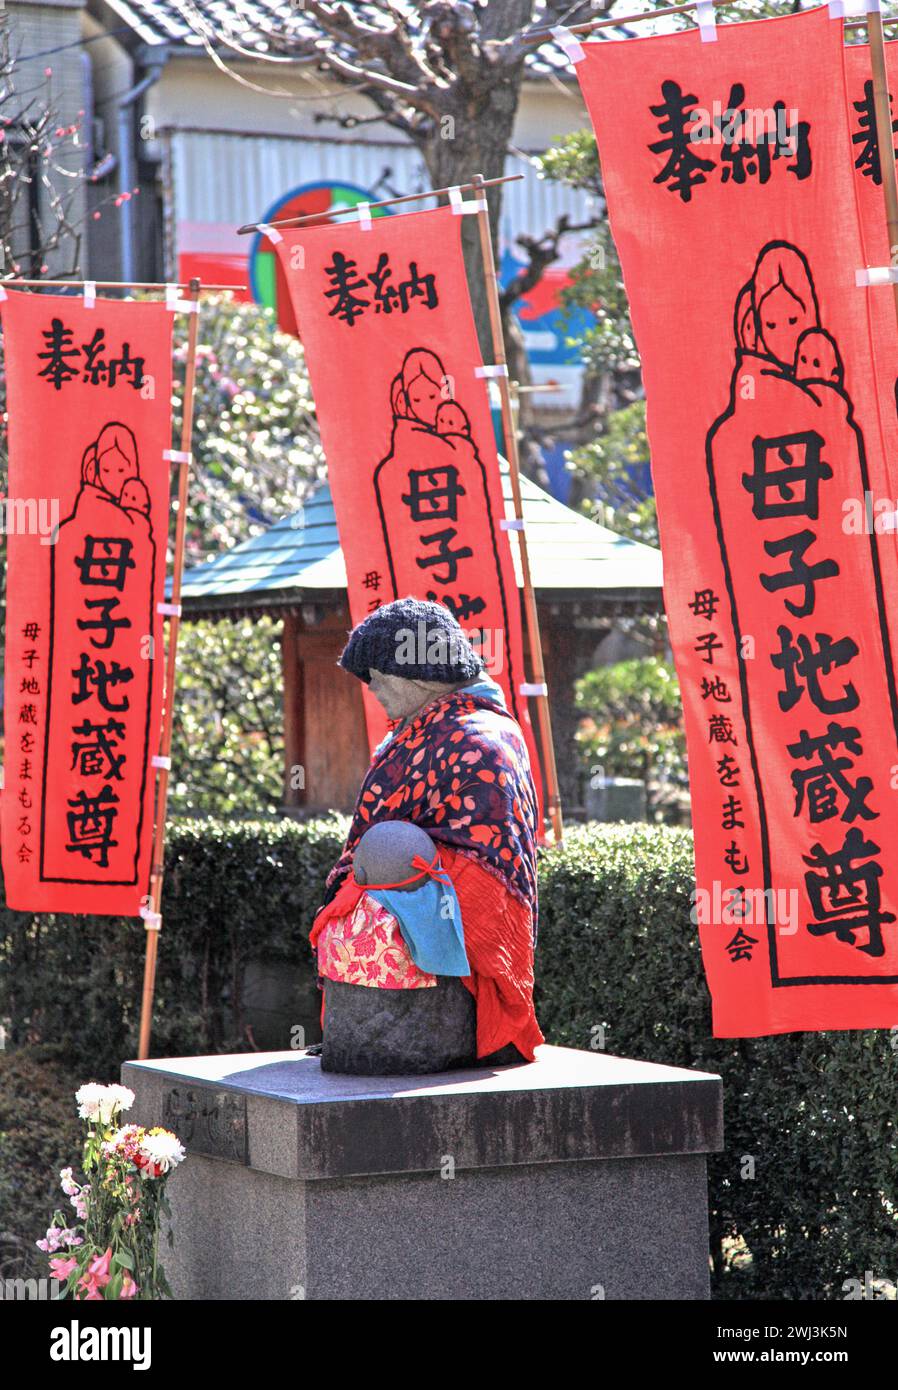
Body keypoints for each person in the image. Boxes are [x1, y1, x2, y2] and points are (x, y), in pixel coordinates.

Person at [309, 597, 544, 1072]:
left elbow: (483, 866)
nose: (371, 687)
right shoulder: (434, 728)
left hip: (451, 922)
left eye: (377, 674)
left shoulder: (471, 735)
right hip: (406, 907)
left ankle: (411, 1036)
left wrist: (396, 875)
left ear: (418, 674)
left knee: (376, 924)